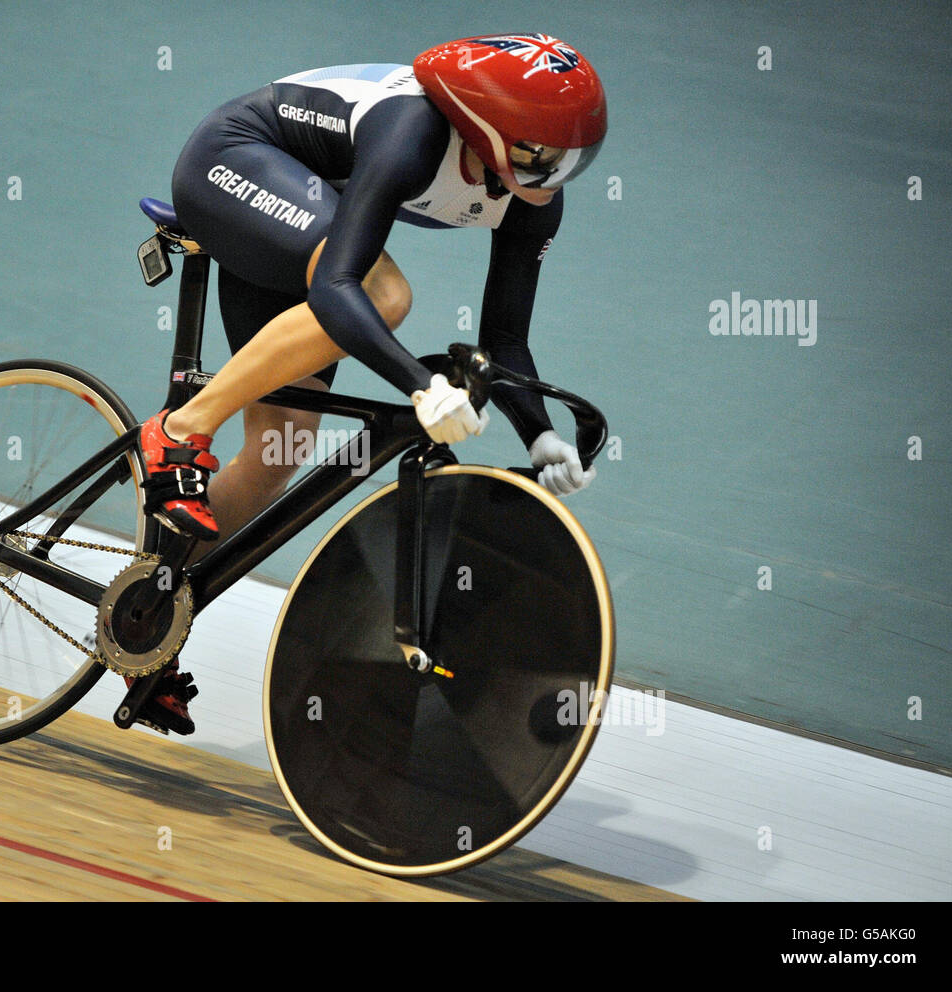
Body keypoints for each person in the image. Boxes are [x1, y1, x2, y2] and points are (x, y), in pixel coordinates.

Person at [132, 34, 608, 734]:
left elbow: (505, 340)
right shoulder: (413, 130)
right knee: (385, 295)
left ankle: (145, 612)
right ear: (486, 127)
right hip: (231, 163)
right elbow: (338, 287)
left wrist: (540, 435)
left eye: (573, 156)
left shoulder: (533, 196)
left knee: (275, 457)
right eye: (543, 151)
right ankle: (176, 431)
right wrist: (421, 385)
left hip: (304, 210)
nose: (557, 171)